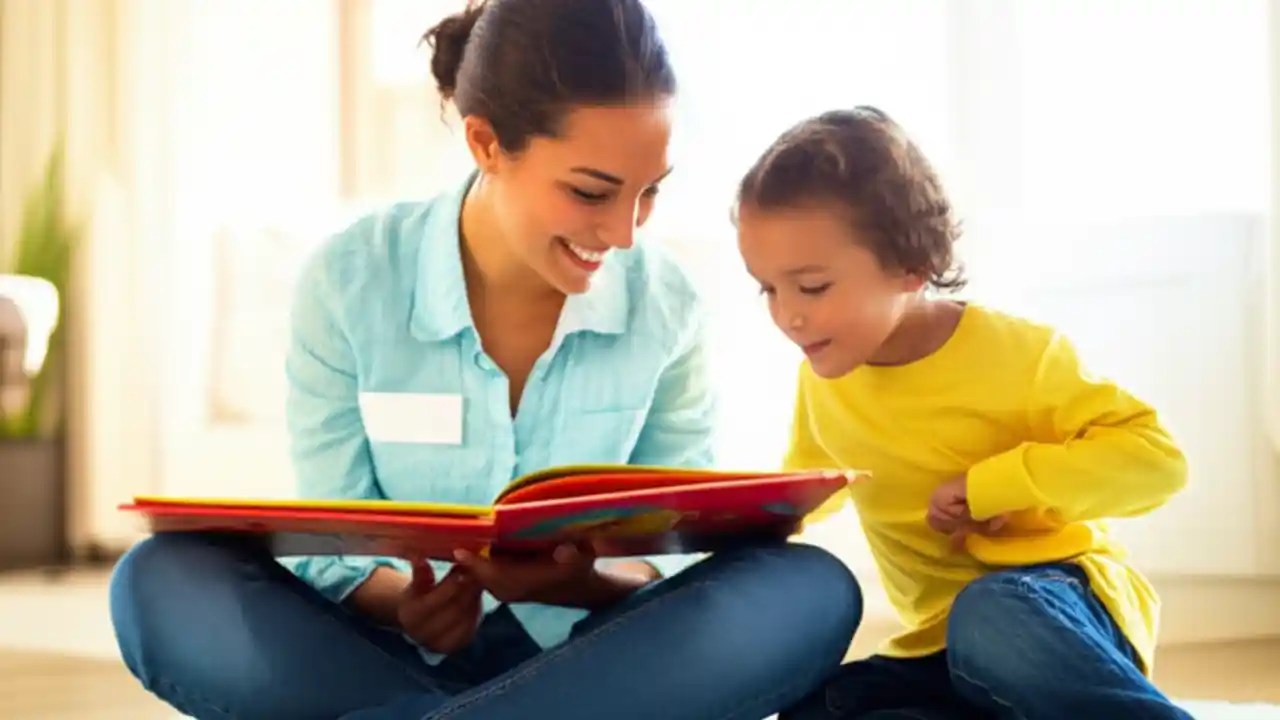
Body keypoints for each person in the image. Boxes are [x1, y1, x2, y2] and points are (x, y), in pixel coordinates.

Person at [108, 1, 861, 719]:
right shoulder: (352, 278)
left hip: (600, 657)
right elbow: (331, 534)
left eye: (649, 194)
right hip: (390, 653)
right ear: (485, 143)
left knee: (809, 586)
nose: (625, 233)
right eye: (592, 192)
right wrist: (402, 603)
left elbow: (667, 554)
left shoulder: (667, 303)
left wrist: (586, 584)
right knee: (161, 580)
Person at [733, 107, 1194, 720]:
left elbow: (1158, 464)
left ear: (910, 264)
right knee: (823, 707)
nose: (787, 315)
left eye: (812, 287)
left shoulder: (1018, 355)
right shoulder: (824, 377)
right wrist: (721, 521)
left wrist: (998, 486)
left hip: (1052, 603)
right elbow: (808, 487)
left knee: (991, 619)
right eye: (768, 288)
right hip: (937, 644)